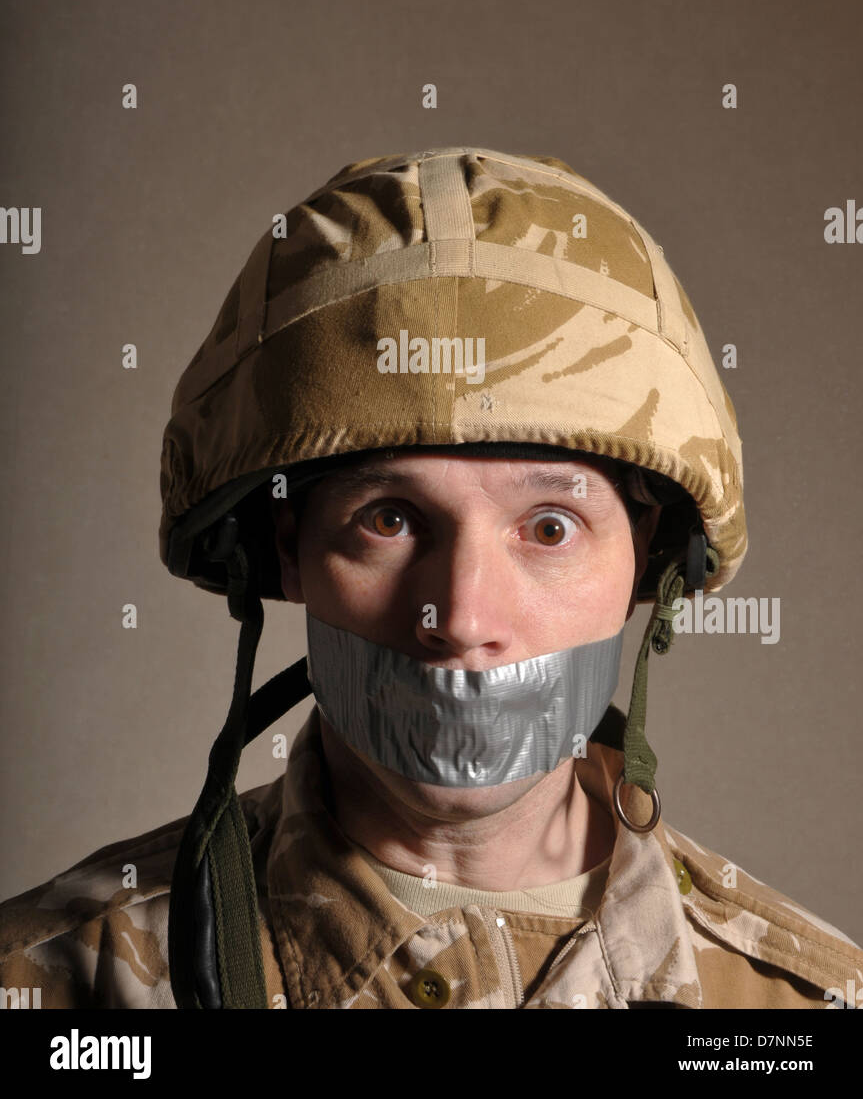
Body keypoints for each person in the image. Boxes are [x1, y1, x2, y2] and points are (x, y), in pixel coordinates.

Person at [1, 144, 860, 1010]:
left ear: (647, 558)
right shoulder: (54, 983)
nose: (461, 616)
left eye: (549, 528)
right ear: (289, 548)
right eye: (389, 520)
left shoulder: (803, 1008)